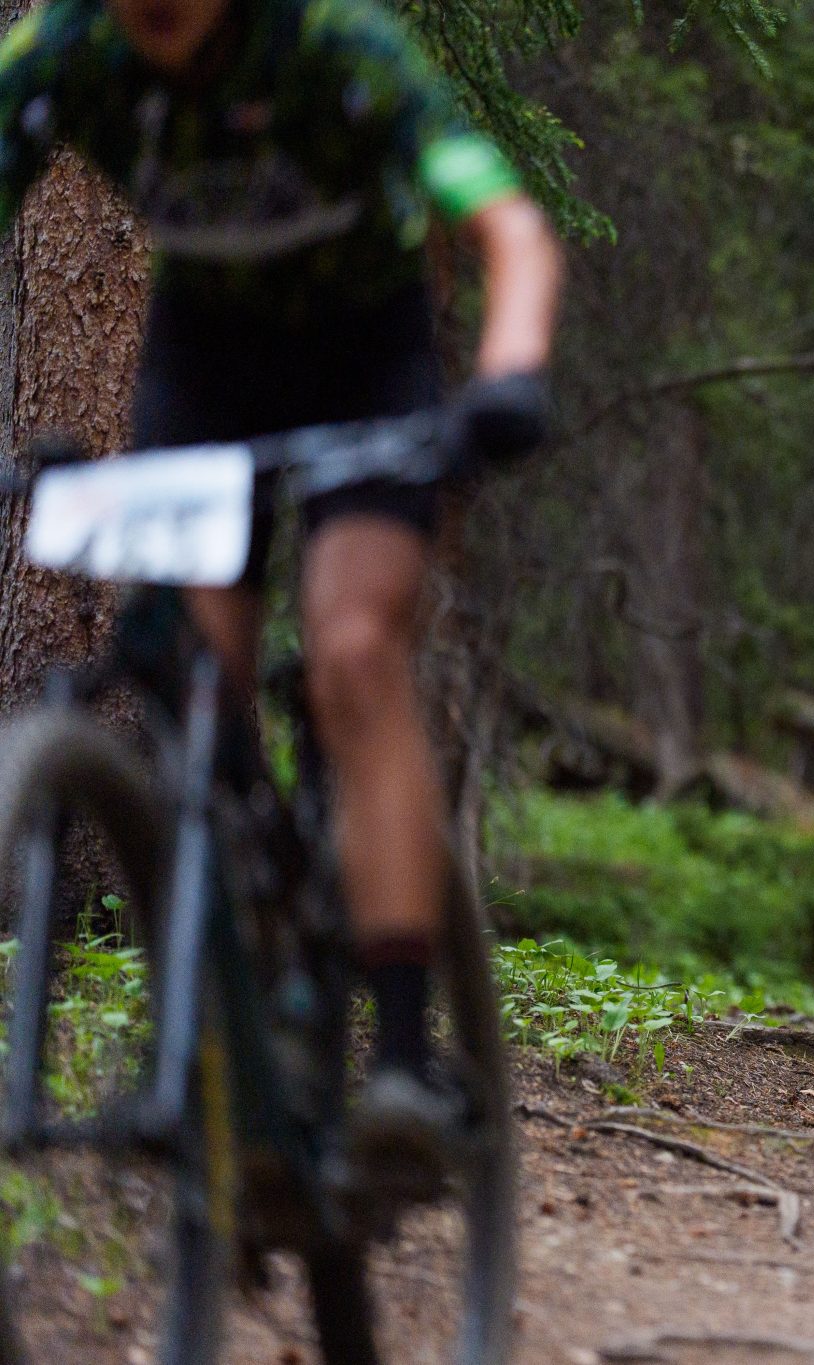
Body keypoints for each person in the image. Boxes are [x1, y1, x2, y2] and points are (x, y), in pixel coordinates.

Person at [0, 0, 562, 1168]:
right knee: (201, 675)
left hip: (368, 362)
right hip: (204, 367)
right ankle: (244, 946)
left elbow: (508, 226)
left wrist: (508, 375)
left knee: (355, 649)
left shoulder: (336, 46)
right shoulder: (62, 55)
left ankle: (403, 1058)